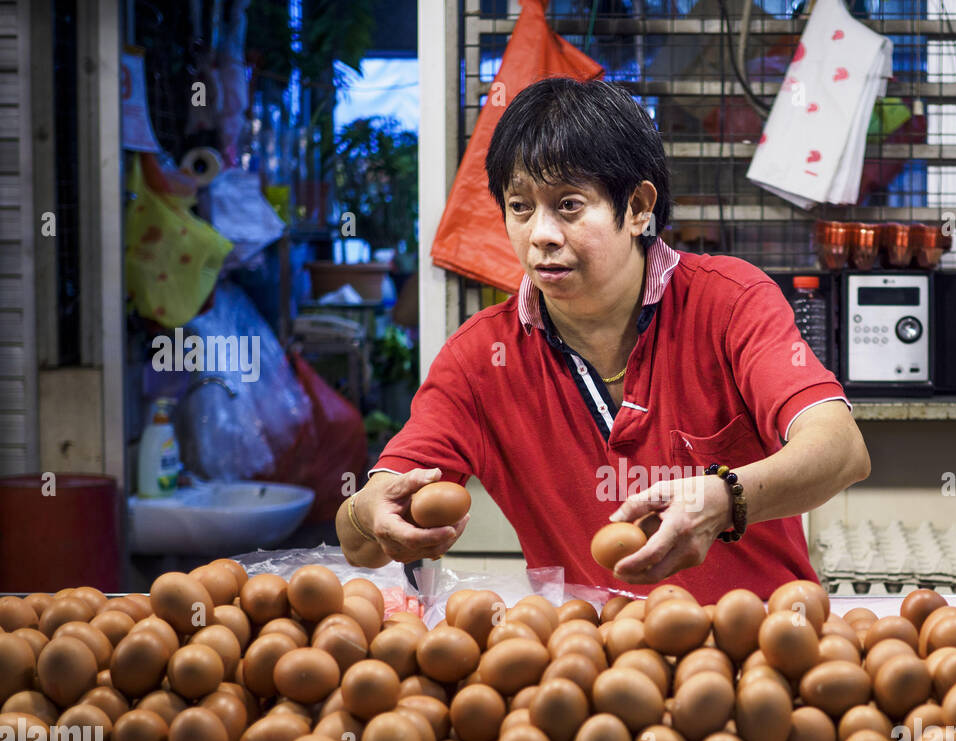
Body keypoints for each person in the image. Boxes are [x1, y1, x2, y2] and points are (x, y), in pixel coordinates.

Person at [337, 77, 870, 604]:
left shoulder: (731, 302)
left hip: (765, 650)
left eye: (569, 204)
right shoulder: (480, 359)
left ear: (638, 207)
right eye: (520, 207)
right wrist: (367, 511)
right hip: (597, 669)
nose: (540, 234)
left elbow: (841, 451)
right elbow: (361, 542)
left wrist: (724, 499)